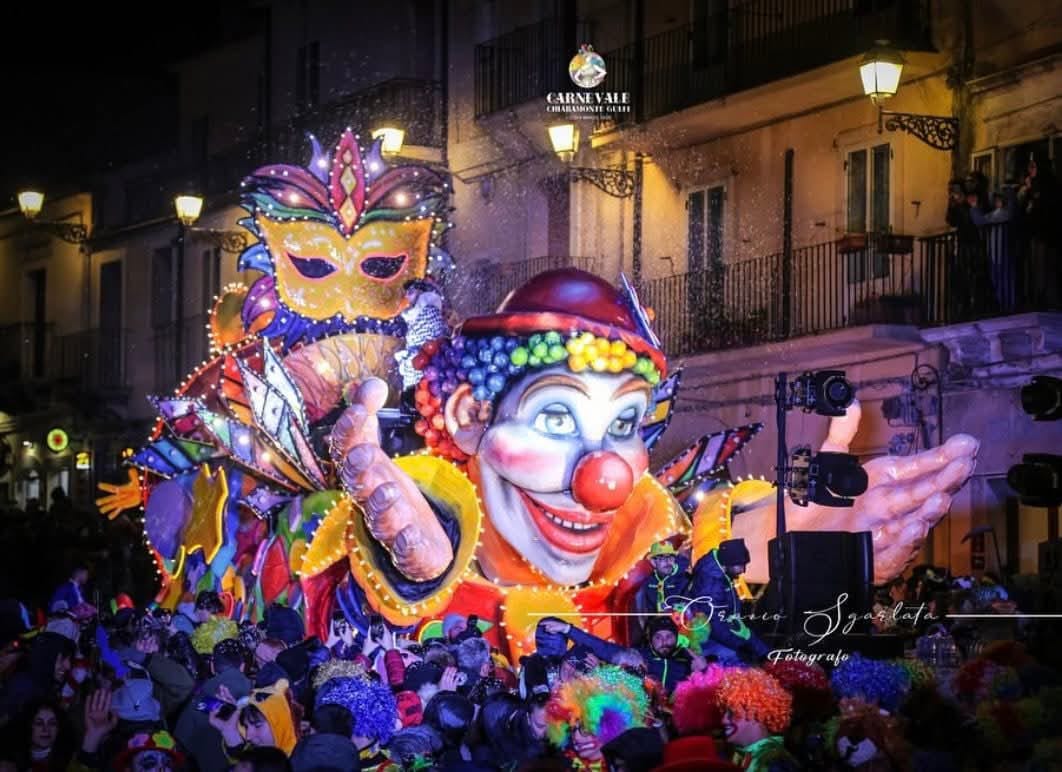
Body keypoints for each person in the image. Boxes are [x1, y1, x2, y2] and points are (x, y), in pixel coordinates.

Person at [539, 616, 705, 692]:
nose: (664, 641)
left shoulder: (687, 659)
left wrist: (701, 672)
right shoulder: (638, 656)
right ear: (651, 640)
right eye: (658, 637)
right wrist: (568, 629)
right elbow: (601, 647)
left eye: (669, 636)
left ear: (676, 638)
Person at [686, 538, 770, 664]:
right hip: (704, 638)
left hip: (723, 630)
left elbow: (730, 619)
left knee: (762, 651)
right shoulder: (711, 584)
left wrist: (762, 651)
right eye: (739, 565)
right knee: (739, 659)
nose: (743, 570)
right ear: (726, 564)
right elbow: (714, 624)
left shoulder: (722, 574)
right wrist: (741, 645)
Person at [716, 668, 799, 772]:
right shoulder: (746, 756)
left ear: (756, 712)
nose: (724, 720)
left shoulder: (775, 763)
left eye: (732, 713)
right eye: (724, 712)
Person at [634, 541, 689, 621]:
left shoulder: (684, 579)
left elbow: (692, 605)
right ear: (653, 562)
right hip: (656, 628)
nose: (667, 562)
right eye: (662, 558)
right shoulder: (647, 583)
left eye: (670, 557)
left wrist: (674, 608)